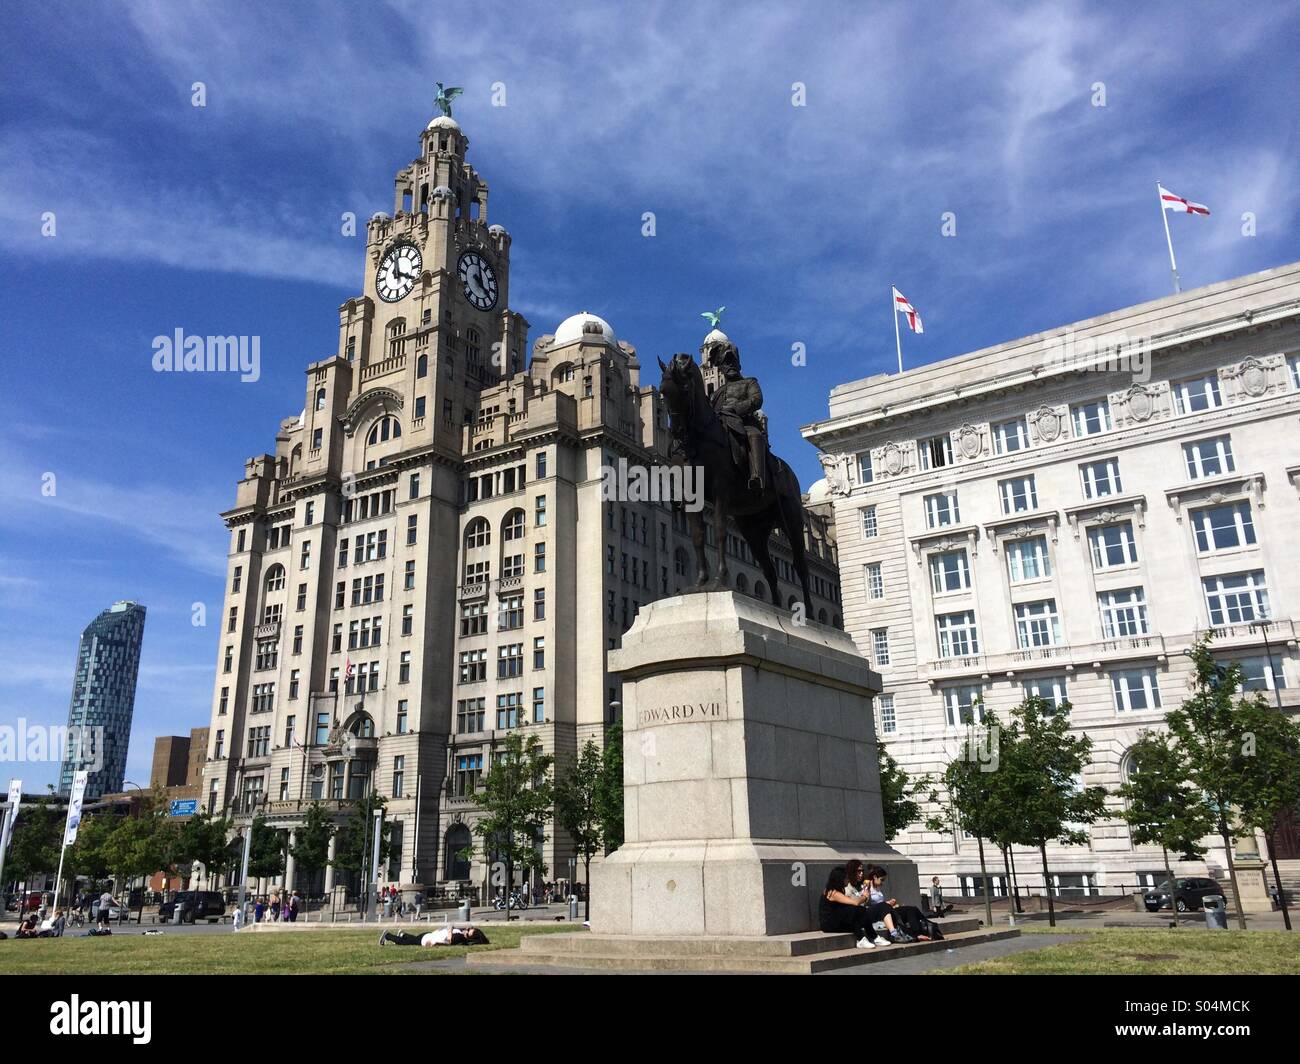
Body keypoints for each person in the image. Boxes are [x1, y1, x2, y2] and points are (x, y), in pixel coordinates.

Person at [704, 339, 769, 491]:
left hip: (744, 423)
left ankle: (757, 477)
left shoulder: (749, 382)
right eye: (726, 363)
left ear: (739, 365)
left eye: (733, 361)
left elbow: (756, 400)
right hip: (722, 426)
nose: (730, 365)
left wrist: (735, 409)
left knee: (754, 435)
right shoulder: (715, 394)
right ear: (720, 367)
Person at [818, 866, 891, 948]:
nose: (848, 880)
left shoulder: (837, 890)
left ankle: (871, 938)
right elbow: (855, 902)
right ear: (840, 879)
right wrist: (864, 896)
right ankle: (866, 938)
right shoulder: (832, 892)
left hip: (837, 921)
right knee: (856, 910)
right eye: (846, 878)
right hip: (829, 924)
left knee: (858, 913)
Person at [865, 865, 934, 941]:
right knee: (898, 913)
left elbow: (881, 903)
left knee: (912, 909)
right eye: (882, 880)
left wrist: (889, 902)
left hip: (886, 909)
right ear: (875, 877)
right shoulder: (867, 887)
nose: (882, 883)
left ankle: (924, 928)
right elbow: (867, 904)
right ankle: (916, 934)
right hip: (878, 914)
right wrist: (868, 891)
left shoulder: (877, 887)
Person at [378, 924, 489, 947]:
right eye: (469, 929)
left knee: (411, 941)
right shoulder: (459, 931)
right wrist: (449, 932)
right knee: (410, 940)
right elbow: (450, 925)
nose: (468, 929)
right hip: (431, 935)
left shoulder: (460, 939)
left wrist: (435, 943)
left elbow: (448, 943)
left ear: (470, 937)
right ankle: (392, 935)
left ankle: (398, 935)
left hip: (430, 938)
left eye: (469, 931)